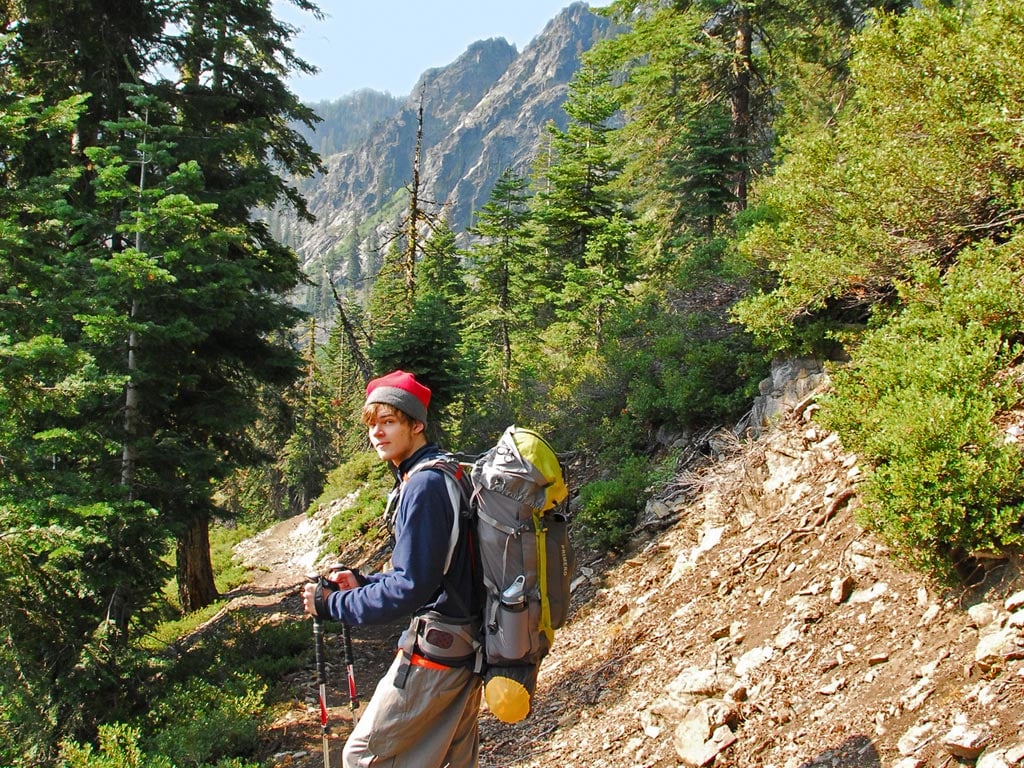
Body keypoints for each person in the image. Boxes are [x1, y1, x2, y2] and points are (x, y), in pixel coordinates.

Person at [302, 369, 483, 768]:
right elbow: (435, 569)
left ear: (416, 424)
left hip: (436, 655)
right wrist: (362, 583)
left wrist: (332, 604)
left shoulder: (423, 485)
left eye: (388, 422)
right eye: (373, 424)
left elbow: (410, 587)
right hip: (465, 647)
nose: (377, 434)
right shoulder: (446, 473)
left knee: (363, 756)